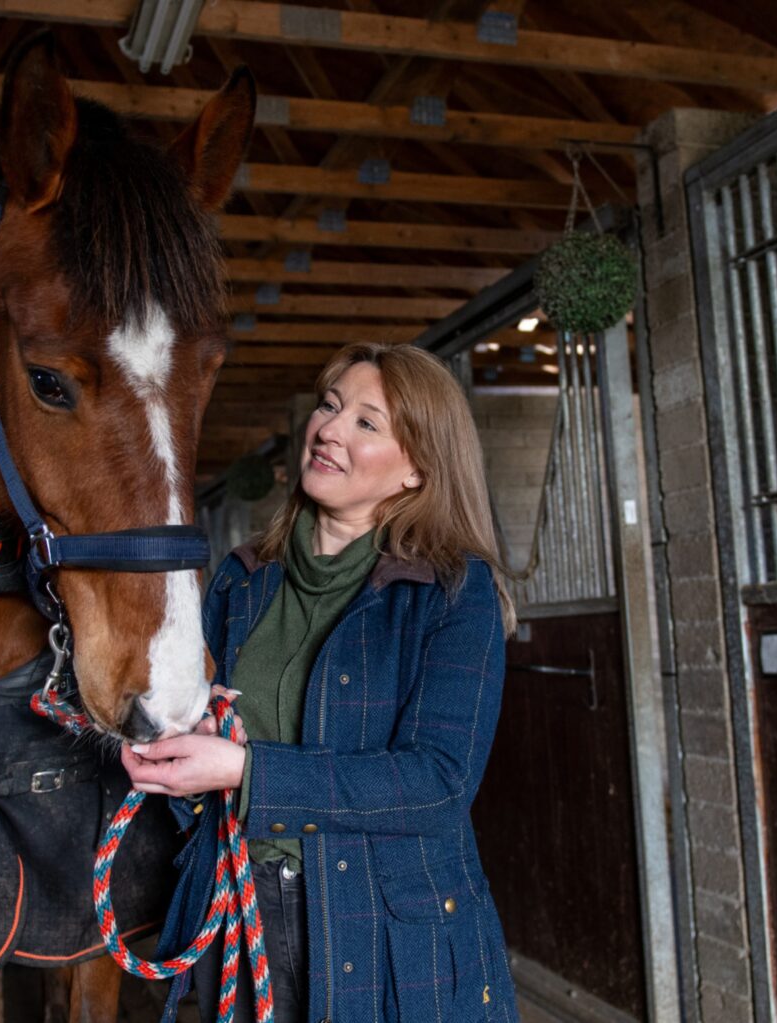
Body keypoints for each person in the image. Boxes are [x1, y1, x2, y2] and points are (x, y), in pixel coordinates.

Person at [122, 342, 520, 1022]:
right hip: (243, 909)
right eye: (330, 406)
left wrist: (245, 770)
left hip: (383, 931)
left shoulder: (454, 592)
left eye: (366, 422)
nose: (330, 429)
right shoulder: (242, 580)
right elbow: (204, 730)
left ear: (417, 469)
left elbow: (439, 783)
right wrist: (178, 759)